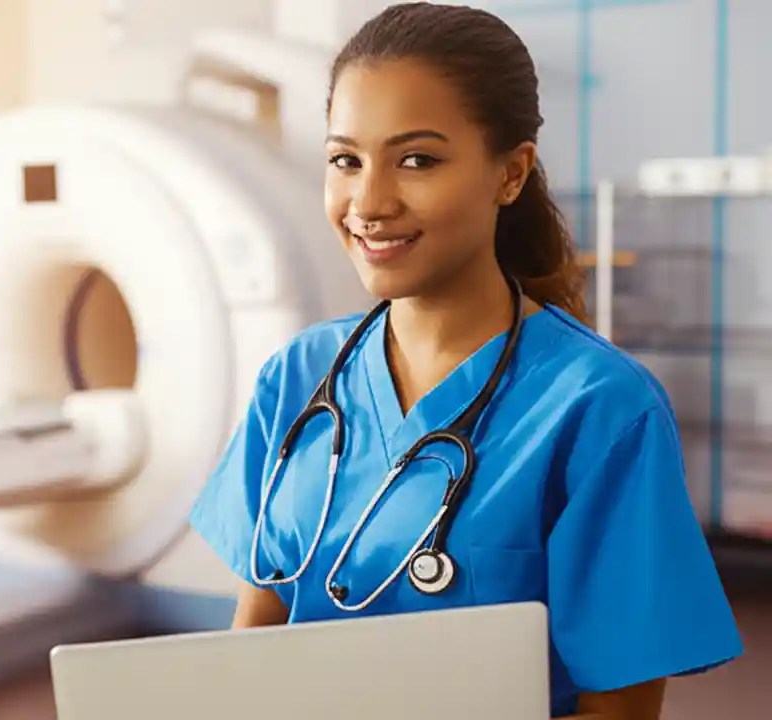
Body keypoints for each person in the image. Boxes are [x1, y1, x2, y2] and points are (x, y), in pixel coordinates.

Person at [187, 3, 744, 719]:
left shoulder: (601, 409)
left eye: (416, 159)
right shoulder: (296, 377)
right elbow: (250, 655)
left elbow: (621, 715)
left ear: (510, 174)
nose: (369, 201)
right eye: (345, 160)